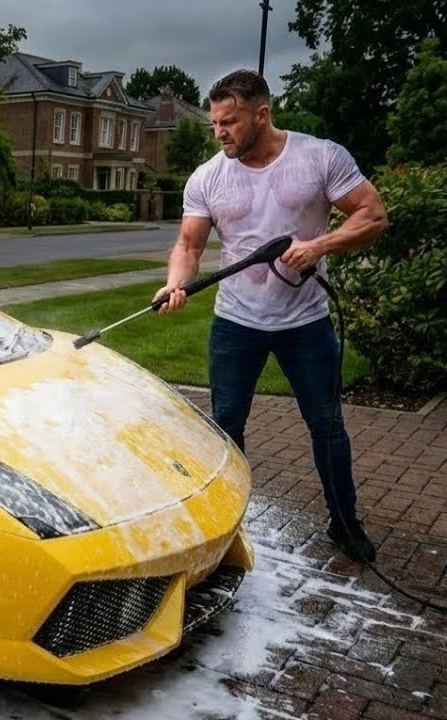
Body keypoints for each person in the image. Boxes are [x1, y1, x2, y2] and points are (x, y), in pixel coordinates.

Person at [153, 69, 389, 563]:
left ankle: (344, 524)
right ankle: (224, 527)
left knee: (326, 424)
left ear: (262, 113)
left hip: (305, 322)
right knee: (225, 425)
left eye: (230, 122)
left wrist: (319, 245)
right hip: (236, 323)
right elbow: (189, 244)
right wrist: (176, 282)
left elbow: (373, 215)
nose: (220, 133)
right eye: (215, 123)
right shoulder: (208, 176)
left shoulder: (319, 157)